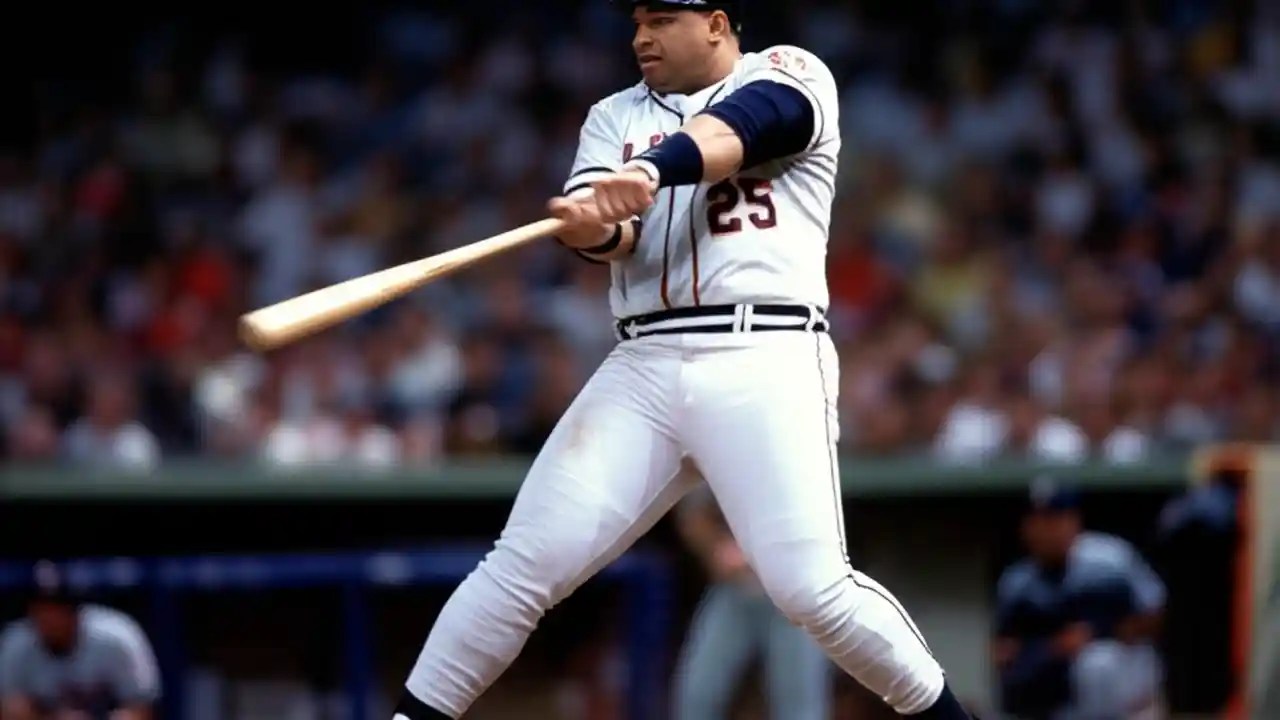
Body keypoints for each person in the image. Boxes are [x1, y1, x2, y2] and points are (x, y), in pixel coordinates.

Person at [393, 1, 975, 717]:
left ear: (717, 24)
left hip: (762, 352)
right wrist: (594, 228)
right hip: (644, 359)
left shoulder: (791, 72)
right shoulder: (613, 117)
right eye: (638, 20)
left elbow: (746, 128)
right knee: (522, 566)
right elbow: (615, 238)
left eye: (664, 18)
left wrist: (654, 171)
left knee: (810, 588)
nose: (642, 36)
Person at [994, 479, 1166, 719]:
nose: (1046, 530)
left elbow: (1156, 614)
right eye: (1038, 521)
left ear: (1075, 522)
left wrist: (1098, 632)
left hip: (1123, 672)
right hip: (1061, 689)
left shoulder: (1111, 560)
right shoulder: (1017, 581)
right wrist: (1049, 648)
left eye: (1055, 520)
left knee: (1097, 662)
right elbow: (1004, 651)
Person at [672, 480, 831, 720]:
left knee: (800, 707)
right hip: (737, 590)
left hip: (796, 592)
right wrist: (719, 549)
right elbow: (693, 515)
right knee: (696, 698)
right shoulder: (718, 448)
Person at [0, 562, 161, 720]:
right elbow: (7, 711)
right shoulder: (16, 643)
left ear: (77, 610)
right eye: (42, 608)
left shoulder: (116, 637)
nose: (51, 617)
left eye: (59, 608)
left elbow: (142, 707)